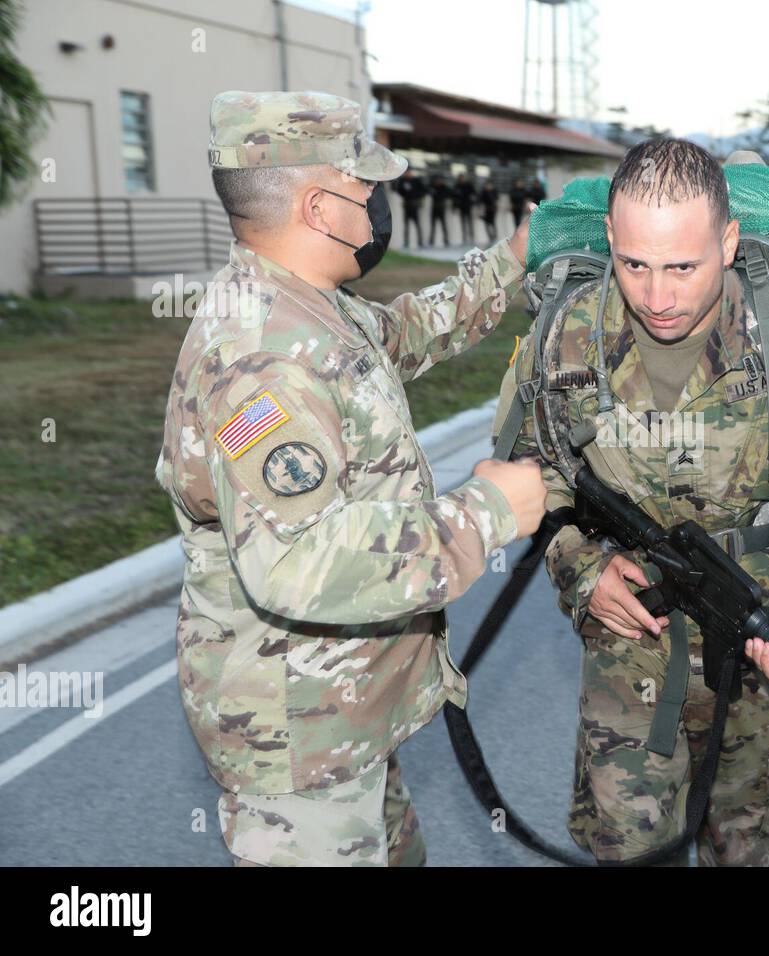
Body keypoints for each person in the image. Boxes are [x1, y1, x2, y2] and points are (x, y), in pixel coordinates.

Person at [493, 138, 769, 865]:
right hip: (627, 659)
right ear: (610, 241)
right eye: (635, 265)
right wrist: (580, 569)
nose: (658, 297)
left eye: (682, 267)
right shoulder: (565, 334)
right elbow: (534, 471)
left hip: (764, 644)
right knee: (628, 851)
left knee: (752, 852)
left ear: (727, 241)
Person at [156, 90, 544, 867]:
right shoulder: (259, 358)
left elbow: (407, 331)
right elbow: (300, 563)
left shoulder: (310, 308)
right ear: (322, 207)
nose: (378, 207)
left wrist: (513, 258)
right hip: (299, 740)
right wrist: (488, 512)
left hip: (344, 711)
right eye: (367, 191)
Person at [391, 167, 428, 248]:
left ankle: (420, 242)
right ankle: (406, 242)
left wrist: (418, 197)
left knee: (417, 224)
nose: (408, 174)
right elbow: (396, 189)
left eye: (409, 173)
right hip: (407, 205)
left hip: (414, 205)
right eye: (406, 173)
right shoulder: (402, 181)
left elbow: (424, 190)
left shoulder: (416, 181)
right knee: (406, 225)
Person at [427, 174, 452, 247]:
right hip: (434, 208)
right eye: (437, 180)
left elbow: (450, 193)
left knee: (444, 225)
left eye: (440, 180)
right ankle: (431, 241)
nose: (438, 182)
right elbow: (428, 190)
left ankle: (446, 240)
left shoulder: (444, 188)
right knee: (433, 225)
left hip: (441, 208)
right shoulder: (432, 187)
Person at [453, 172, 476, 245]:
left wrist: (472, 201)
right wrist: (455, 206)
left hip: (468, 206)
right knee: (463, 223)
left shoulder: (468, 185)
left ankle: (472, 237)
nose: (462, 179)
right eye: (461, 178)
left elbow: (474, 194)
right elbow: (455, 196)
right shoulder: (457, 186)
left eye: (463, 178)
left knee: (470, 223)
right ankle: (464, 238)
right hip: (461, 207)